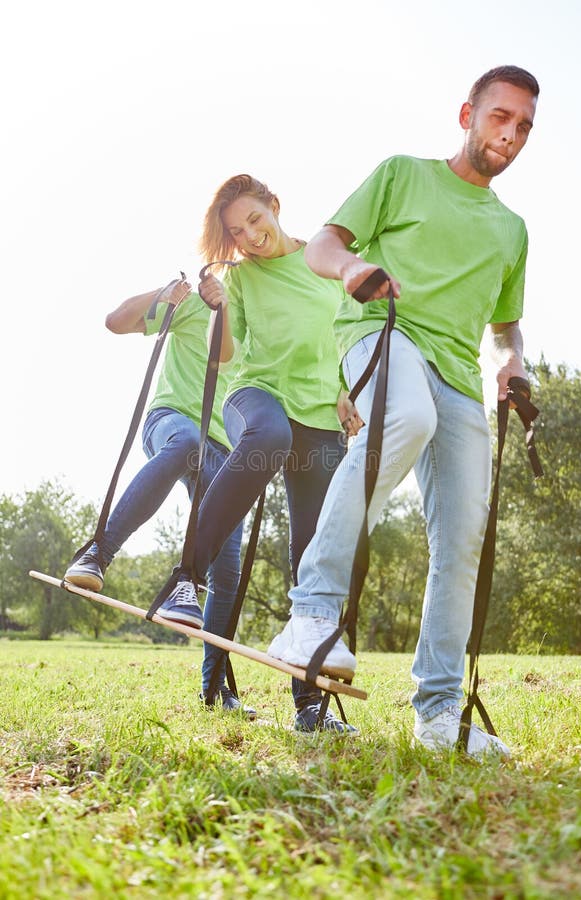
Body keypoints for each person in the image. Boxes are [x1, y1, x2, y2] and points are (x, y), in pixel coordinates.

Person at [267, 65, 540, 757]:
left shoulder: (512, 230)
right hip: (382, 333)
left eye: (523, 127)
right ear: (466, 114)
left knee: (464, 538)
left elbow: (505, 325)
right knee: (405, 417)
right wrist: (351, 271)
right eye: (499, 117)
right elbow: (325, 246)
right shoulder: (403, 175)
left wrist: (514, 361)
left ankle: (440, 711)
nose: (509, 135)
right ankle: (313, 615)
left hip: (458, 375)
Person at [161, 173, 363, 733]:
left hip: (321, 416)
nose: (250, 236)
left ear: (275, 206)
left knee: (311, 555)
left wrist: (349, 390)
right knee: (269, 438)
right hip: (257, 398)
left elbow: (349, 334)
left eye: (255, 219)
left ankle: (311, 708)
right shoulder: (241, 278)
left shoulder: (327, 261)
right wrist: (219, 306)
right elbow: (224, 357)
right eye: (236, 231)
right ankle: (186, 575)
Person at [63, 277, 254, 716]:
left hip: (224, 450)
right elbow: (115, 322)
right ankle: (97, 553)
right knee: (187, 442)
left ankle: (215, 690)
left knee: (228, 569)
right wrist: (160, 295)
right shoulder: (198, 305)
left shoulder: (260, 331)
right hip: (172, 422)